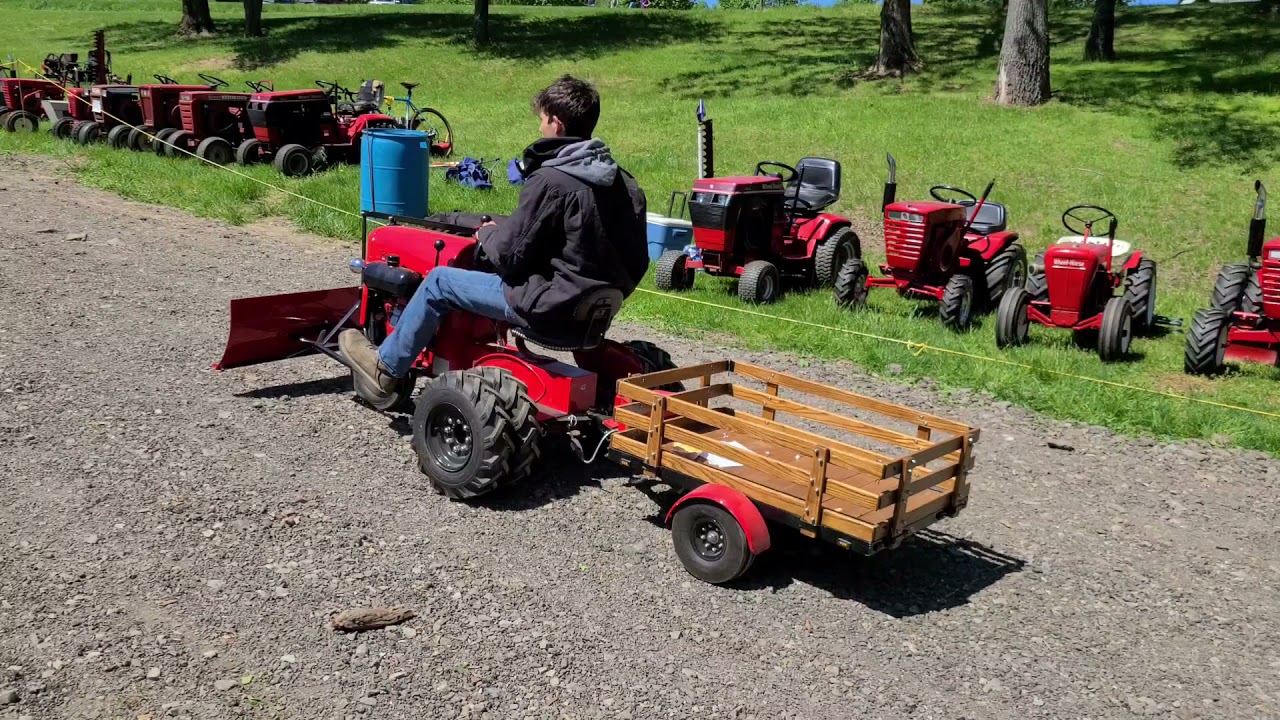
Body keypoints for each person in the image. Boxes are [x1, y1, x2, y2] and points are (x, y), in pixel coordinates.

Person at [339, 75, 649, 404]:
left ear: (556, 123)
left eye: (542, 120)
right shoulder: (625, 184)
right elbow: (634, 261)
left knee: (440, 282)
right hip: (593, 312)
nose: (541, 128)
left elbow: (508, 255)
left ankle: (384, 369)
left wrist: (486, 233)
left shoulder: (552, 180)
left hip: (548, 309)